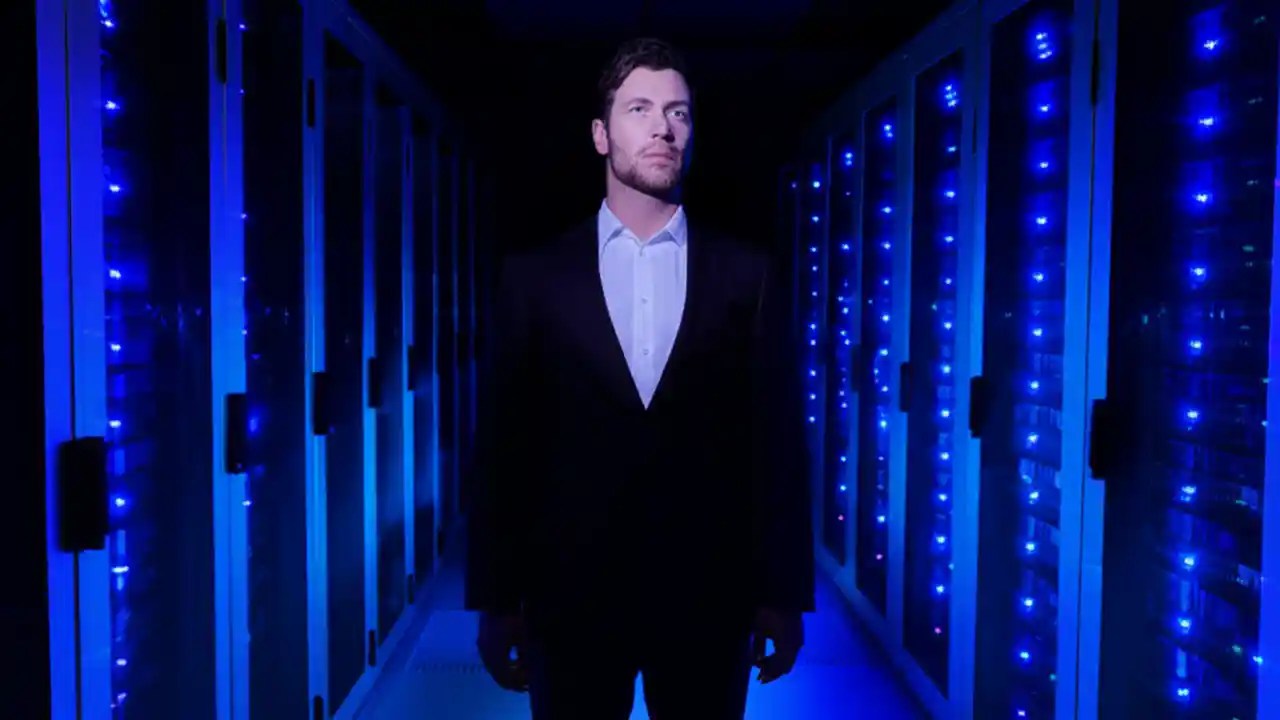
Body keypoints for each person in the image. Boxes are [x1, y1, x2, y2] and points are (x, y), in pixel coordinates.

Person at [465, 36, 815, 720]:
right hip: (570, 601)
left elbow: (775, 441)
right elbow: (506, 448)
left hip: (707, 600)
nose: (662, 127)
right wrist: (496, 601)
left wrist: (782, 595)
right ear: (601, 134)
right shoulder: (534, 277)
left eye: (679, 113)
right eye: (640, 109)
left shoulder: (748, 273)